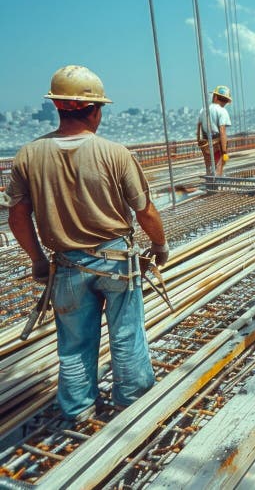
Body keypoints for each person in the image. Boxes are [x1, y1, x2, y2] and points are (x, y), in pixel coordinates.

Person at [6, 65, 167, 420]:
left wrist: (37, 260)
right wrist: (159, 247)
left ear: (58, 107)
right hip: (116, 264)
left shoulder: (29, 156)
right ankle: (132, 404)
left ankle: (78, 411)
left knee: (75, 345)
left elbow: (17, 217)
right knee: (126, 334)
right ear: (94, 111)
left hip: (65, 265)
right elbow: (145, 211)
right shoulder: (115, 153)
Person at [197, 85, 232, 176]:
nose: (225, 103)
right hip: (217, 143)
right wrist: (224, 151)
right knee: (219, 164)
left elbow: (199, 127)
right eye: (225, 101)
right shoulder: (222, 111)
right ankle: (217, 184)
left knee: (208, 165)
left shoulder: (203, 110)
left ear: (215, 96)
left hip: (205, 143)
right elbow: (222, 131)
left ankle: (210, 184)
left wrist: (200, 143)